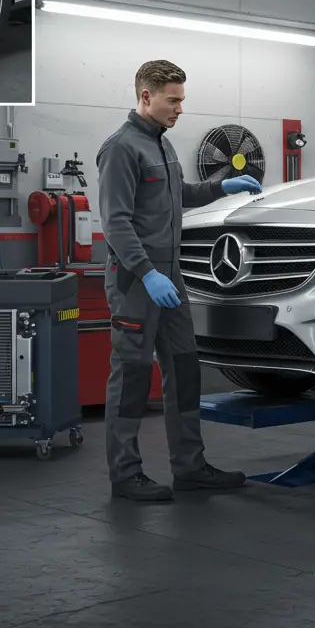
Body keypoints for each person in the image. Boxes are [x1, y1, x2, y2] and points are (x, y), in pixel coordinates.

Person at [96, 59, 263, 501]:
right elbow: (115, 223)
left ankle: (190, 466)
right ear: (146, 97)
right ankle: (125, 473)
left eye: (182, 100)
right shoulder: (122, 148)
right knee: (132, 376)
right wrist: (147, 273)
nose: (180, 109)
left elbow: (179, 194)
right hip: (137, 280)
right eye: (173, 100)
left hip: (170, 278)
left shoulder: (162, 146)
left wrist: (220, 187)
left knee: (185, 368)